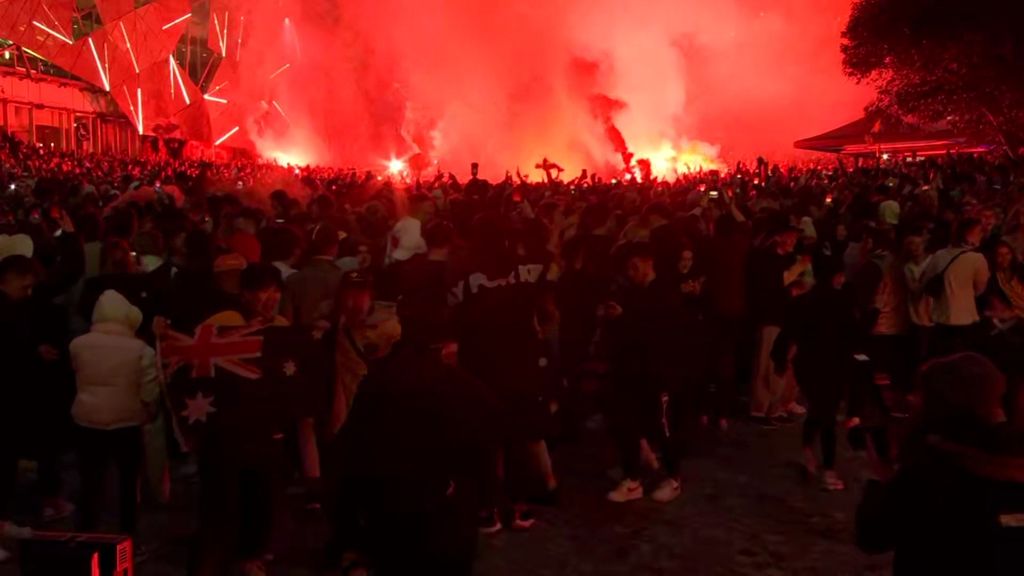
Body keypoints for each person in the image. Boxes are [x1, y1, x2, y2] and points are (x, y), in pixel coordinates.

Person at [856, 353, 1024, 575]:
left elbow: (873, 536)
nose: (912, 399)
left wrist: (883, 475)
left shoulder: (929, 469)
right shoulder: (1011, 459)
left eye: (919, 392)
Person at [70, 290, 157, 536]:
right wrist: (149, 412)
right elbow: (149, 389)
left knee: (89, 481)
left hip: (86, 421)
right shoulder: (141, 349)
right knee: (128, 483)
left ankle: (86, 533)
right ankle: (127, 535)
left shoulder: (78, 345)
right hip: (127, 423)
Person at [603, 243, 683, 504]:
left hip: (657, 372)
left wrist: (625, 318)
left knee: (662, 427)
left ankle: (674, 478)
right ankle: (633, 479)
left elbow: (657, 332)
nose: (631, 272)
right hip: (633, 371)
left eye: (634, 266)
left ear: (648, 262)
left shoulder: (665, 292)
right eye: (629, 268)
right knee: (627, 424)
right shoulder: (633, 292)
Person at [773, 258, 857, 490]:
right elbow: (852, 335)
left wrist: (779, 358)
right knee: (827, 414)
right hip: (832, 365)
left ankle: (809, 450)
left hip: (808, 365)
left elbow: (788, 332)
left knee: (820, 410)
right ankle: (828, 469)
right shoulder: (842, 302)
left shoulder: (802, 302)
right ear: (835, 276)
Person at [747, 226, 807, 425]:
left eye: (795, 239)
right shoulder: (766, 259)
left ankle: (775, 408)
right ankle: (759, 410)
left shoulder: (786, 259)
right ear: (778, 236)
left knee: (779, 364)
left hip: (784, 317)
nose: (793, 242)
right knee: (766, 364)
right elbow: (772, 285)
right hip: (770, 317)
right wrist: (796, 272)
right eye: (789, 238)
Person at [922, 218, 991, 356]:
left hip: (940, 316)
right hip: (965, 317)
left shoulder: (939, 255)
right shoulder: (977, 259)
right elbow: (980, 288)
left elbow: (926, 280)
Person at [281, 223, 343, 327]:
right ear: (335, 247)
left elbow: (285, 322)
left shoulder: (293, 280)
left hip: (300, 341)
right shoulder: (344, 278)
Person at [988, 240, 1024, 320]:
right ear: (994, 256)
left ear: (1012, 254)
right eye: (999, 255)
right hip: (1017, 314)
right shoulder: (994, 278)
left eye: (1007, 254)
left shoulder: (1020, 269)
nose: (1004, 258)